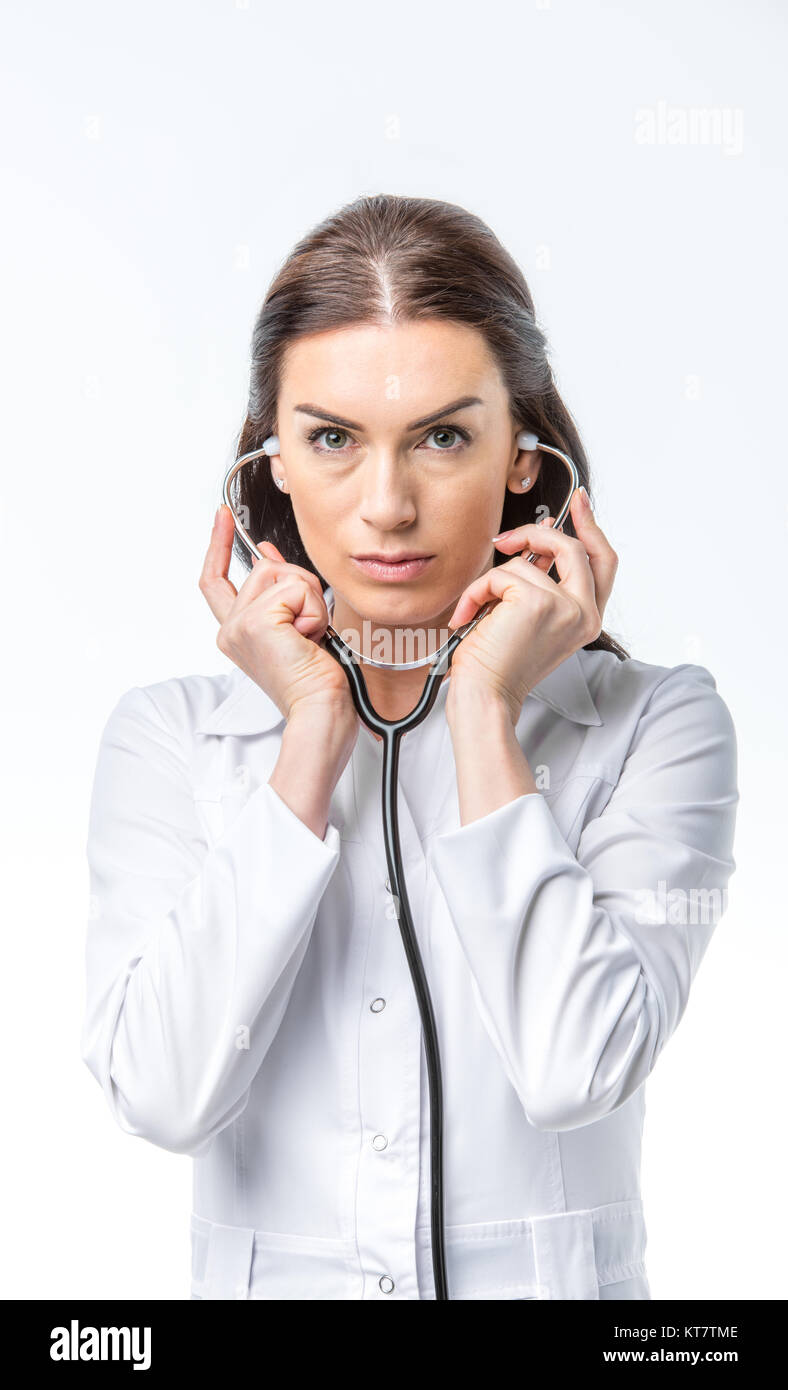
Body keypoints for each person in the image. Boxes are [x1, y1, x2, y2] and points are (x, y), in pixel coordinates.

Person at [80, 193, 739, 1301]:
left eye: (441, 435)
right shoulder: (169, 741)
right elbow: (161, 1095)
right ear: (268, 466)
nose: (386, 506)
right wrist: (307, 745)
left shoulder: (655, 724)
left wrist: (482, 707)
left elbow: (577, 1067)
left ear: (525, 459)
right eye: (331, 439)